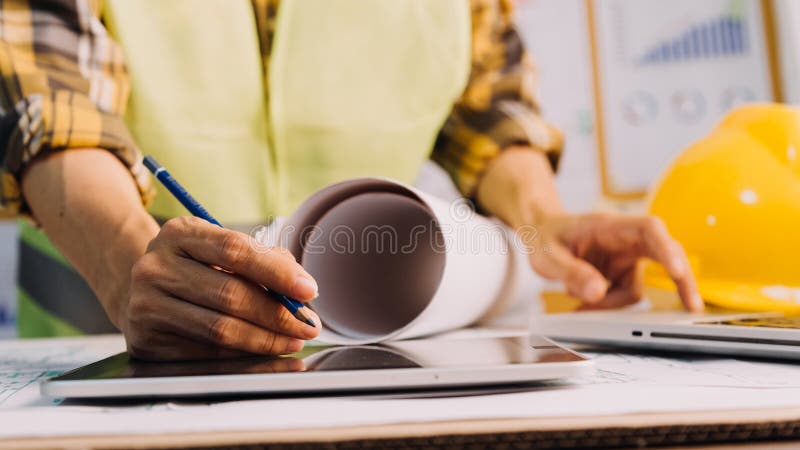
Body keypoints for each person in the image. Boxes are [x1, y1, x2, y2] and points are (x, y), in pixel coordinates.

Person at [0, 0, 701, 360]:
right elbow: (48, 96)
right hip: (102, 342)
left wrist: (542, 223)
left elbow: (488, 106)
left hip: (360, 356)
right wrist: (129, 265)